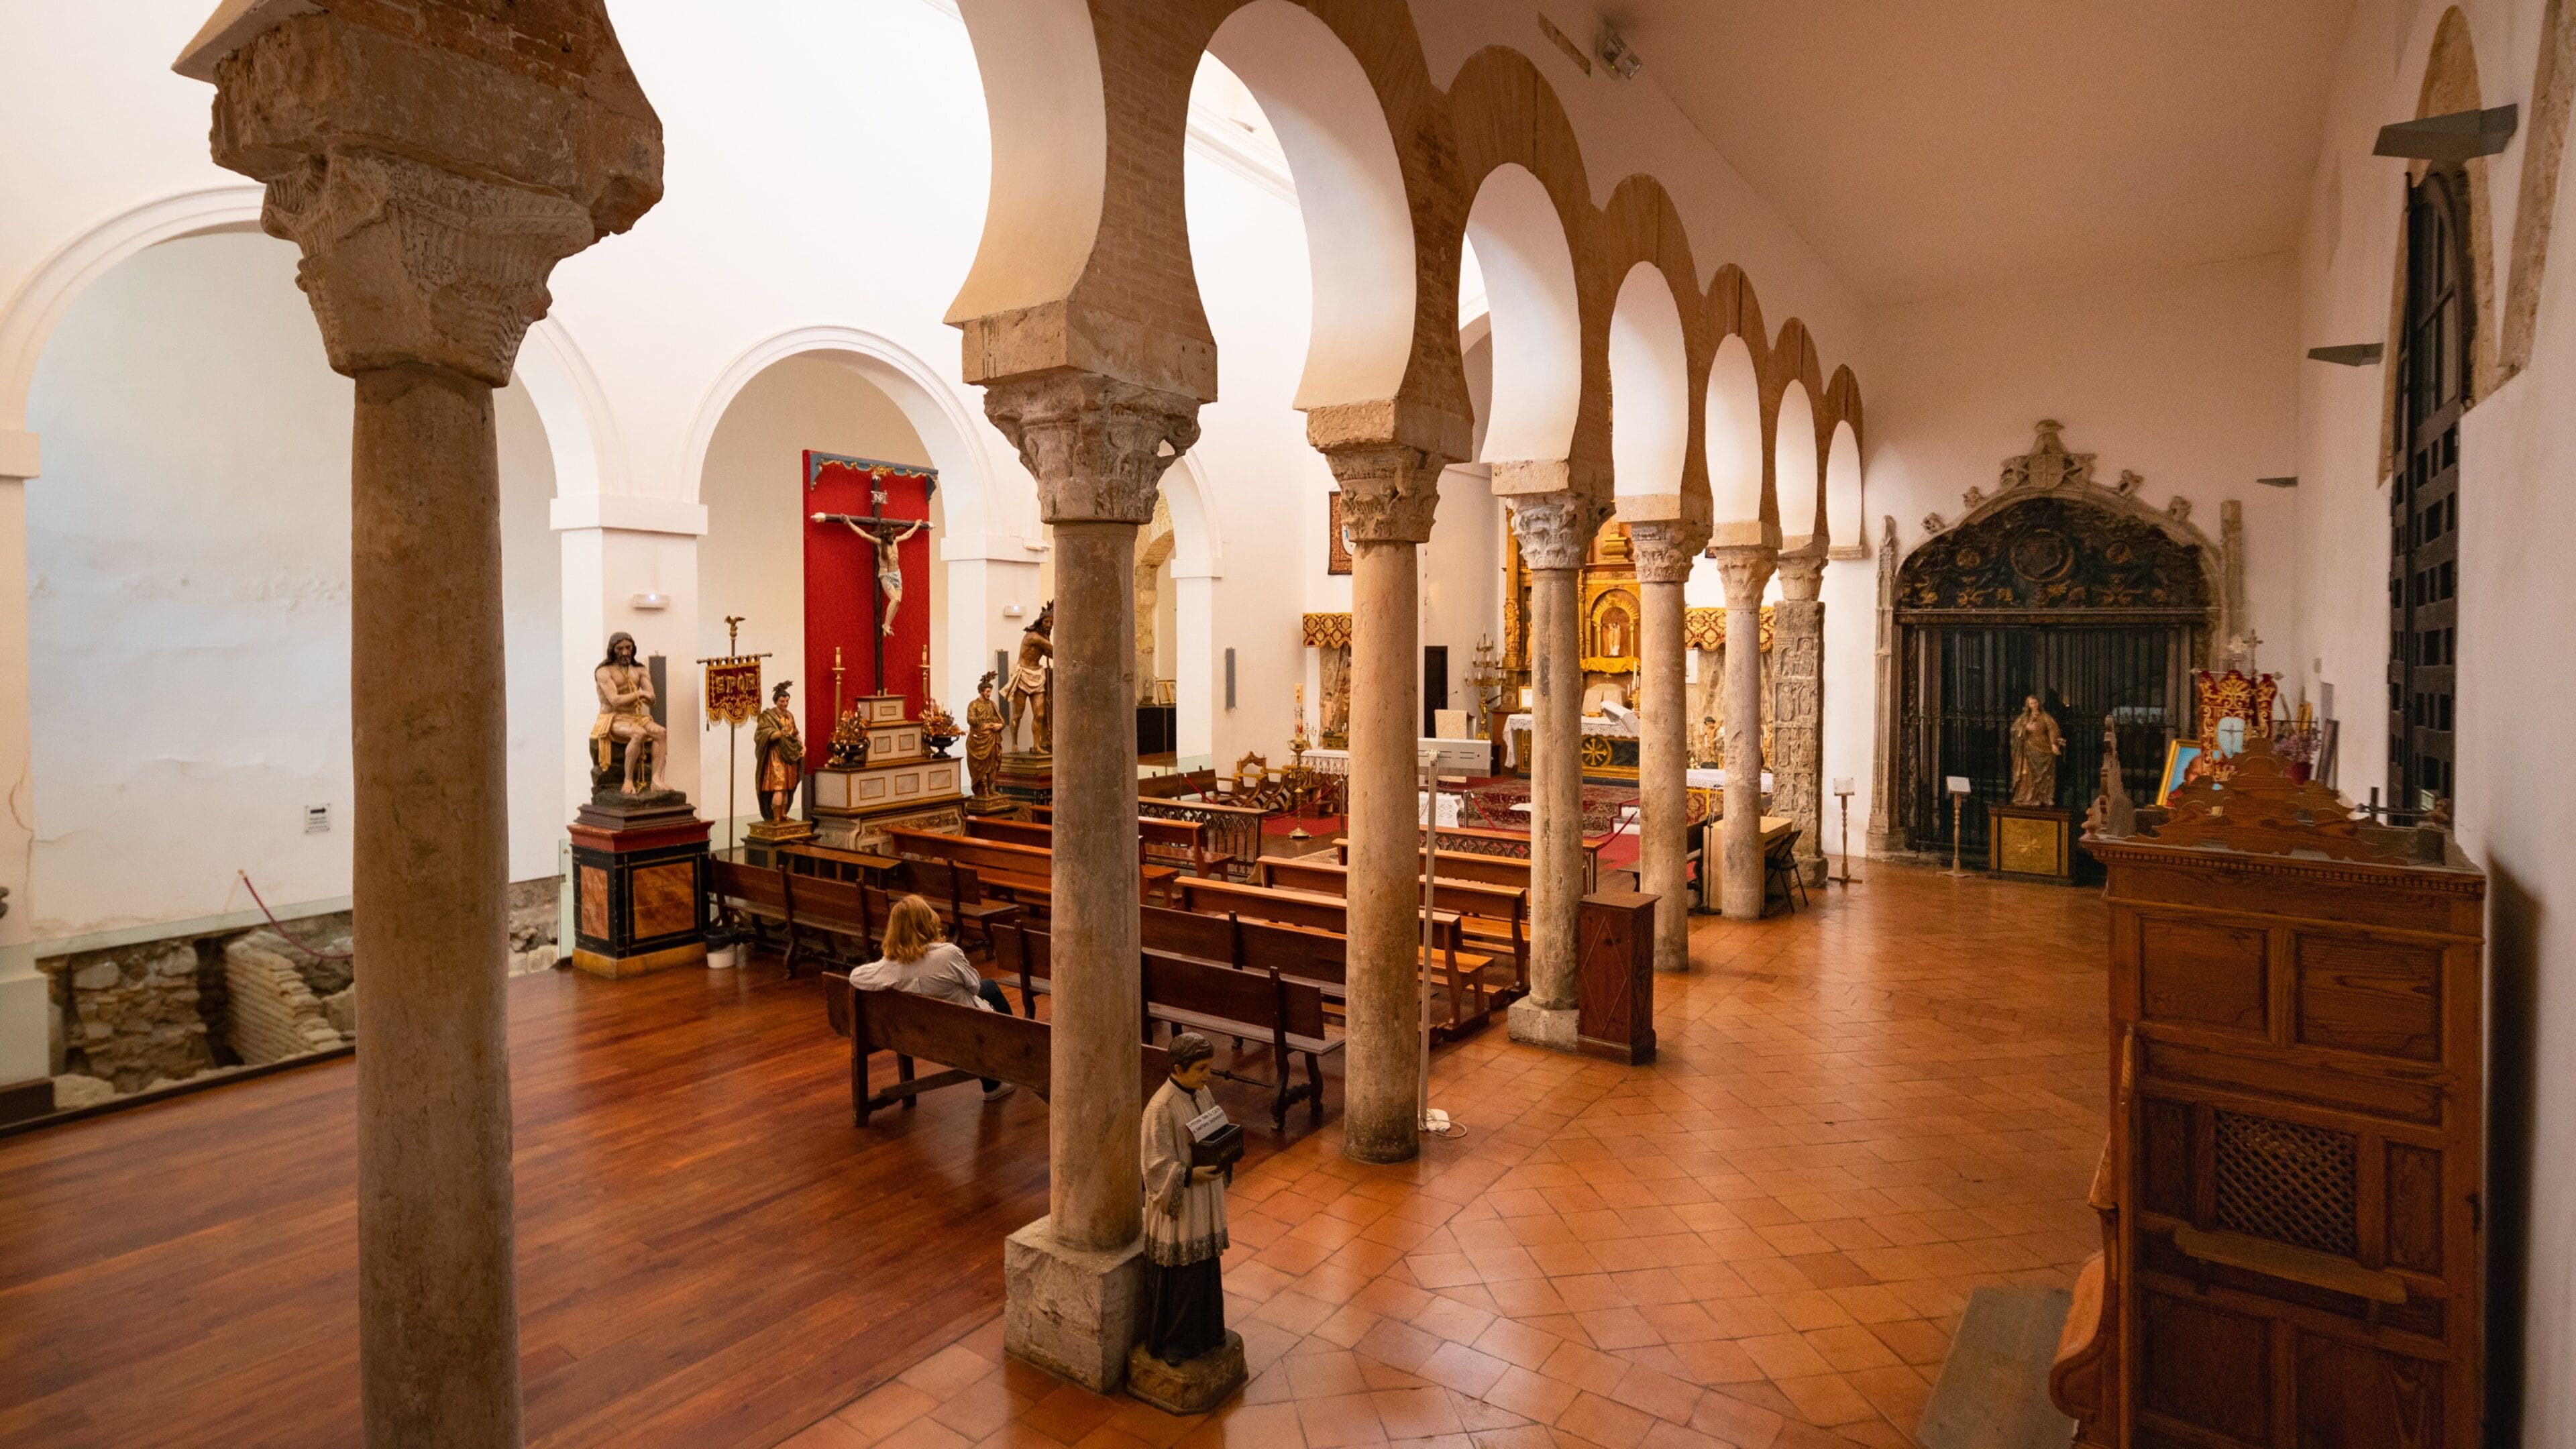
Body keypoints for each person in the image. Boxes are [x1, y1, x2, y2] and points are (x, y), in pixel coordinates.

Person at [848, 895, 1020, 1101]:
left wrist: (896, 967)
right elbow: (973, 986)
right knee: (986, 989)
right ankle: (1012, 1062)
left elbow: (855, 977)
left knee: (988, 988)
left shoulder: (886, 968)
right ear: (928, 922)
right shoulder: (947, 955)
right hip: (960, 1030)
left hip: (912, 1032)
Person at [1140, 1032, 1230, 1366]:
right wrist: (1191, 1176)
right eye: (1201, 1069)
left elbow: (1215, 1130)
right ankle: (1175, 1343)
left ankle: (1208, 1332)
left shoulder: (1202, 1093)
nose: (1208, 1075)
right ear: (1178, 1068)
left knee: (1204, 1268)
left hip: (1203, 1201)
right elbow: (1153, 1166)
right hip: (1181, 1204)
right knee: (1183, 1277)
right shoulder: (1160, 1108)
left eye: (1209, 1067)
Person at [591, 631, 667, 795]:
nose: (625, 652)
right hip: (613, 718)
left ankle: (656, 780)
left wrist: (649, 697)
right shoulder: (604, 671)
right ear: (612, 650)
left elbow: (651, 697)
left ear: (633, 648)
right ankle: (628, 780)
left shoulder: (639, 670)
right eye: (620, 648)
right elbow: (615, 700)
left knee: (661, 733)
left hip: (635, 716)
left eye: (628, 648)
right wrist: (639, 694)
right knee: (638, 733)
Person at [753, 680, 804, 821]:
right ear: (776, 701)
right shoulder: (767, 717)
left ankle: (783, 814)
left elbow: (795, 732)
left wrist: (802, 744)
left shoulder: (789, 716)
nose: (785, 704)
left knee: (787, 787)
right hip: (776, 755)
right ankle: (775, 817)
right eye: (782, 701)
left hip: (790, 755)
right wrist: (780, 734)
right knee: (779, 787)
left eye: (787, 701)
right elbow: (763, 735)